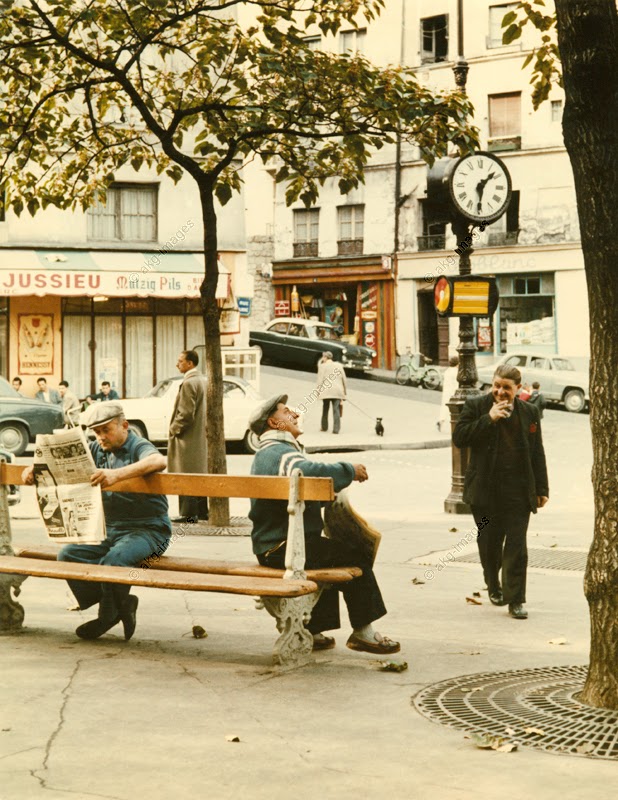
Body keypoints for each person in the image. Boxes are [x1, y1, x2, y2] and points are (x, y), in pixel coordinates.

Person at [248, 393, 400, 654]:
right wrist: (349, 470)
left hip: (274, 547)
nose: (294, 414)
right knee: (355, 556)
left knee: (326, 552)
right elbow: (310, 473)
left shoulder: (270, 453)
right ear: (274, 424)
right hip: (283, 549)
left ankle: (313, 629)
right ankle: (363, 633)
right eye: (286, 413)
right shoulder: (280, 454)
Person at [22, 401, 171, 641]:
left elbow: (158, 461)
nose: (101, 436)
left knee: (114, 561)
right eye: (96, 431)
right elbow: (57, 462)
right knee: (68, 556)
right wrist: (33, 469)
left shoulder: (138, 445)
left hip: (148, 530)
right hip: (108, 528)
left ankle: (107, 614)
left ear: (124, 425)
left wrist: (117, 475)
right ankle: (119, 602)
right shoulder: (97, 448)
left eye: (106, 430)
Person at [453, 365, 549, 620]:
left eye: (507, 387)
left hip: (518, 491)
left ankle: (516, 598)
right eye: (497, 385)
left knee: (517, 545)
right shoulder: (476, 405)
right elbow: (459, 437)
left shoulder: (529, 411)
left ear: (519, 388)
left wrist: (541, 488)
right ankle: (493, 583)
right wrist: (489, 418)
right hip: (485, 492)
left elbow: (537, 451)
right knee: (489, 542)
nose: (500, 392)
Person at [168, 350, 208, 523]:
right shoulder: (202, 380)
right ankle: (201, 511)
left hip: (188, 438)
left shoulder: (189, 383)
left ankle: (188, 514)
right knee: (198, 472)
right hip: (199, 435)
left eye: (180, 361)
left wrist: (174, 429)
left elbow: (185, 414)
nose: (177, 364)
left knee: (184, 472)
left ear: (190, 363)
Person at [317, 351, 346, 434]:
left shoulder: (322, 366)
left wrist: (318, 392)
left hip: (326, 391)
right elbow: (344, 379)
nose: (322, 358)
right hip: (337, 391)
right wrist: (344, 393)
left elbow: (320, 380)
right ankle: (336, 429)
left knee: (325, 409)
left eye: (323, 357)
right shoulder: (339, 366)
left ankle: (324, 427)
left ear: (325, 357)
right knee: (336, 410)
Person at [437, 355, 459, 432]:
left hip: (446, 391)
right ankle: (454, 425)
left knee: (444, 407)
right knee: (453, 409)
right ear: (457, 363)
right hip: (453, 392)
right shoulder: (456, 372)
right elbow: (456, 384)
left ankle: (441, 420)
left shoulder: (447, 371)